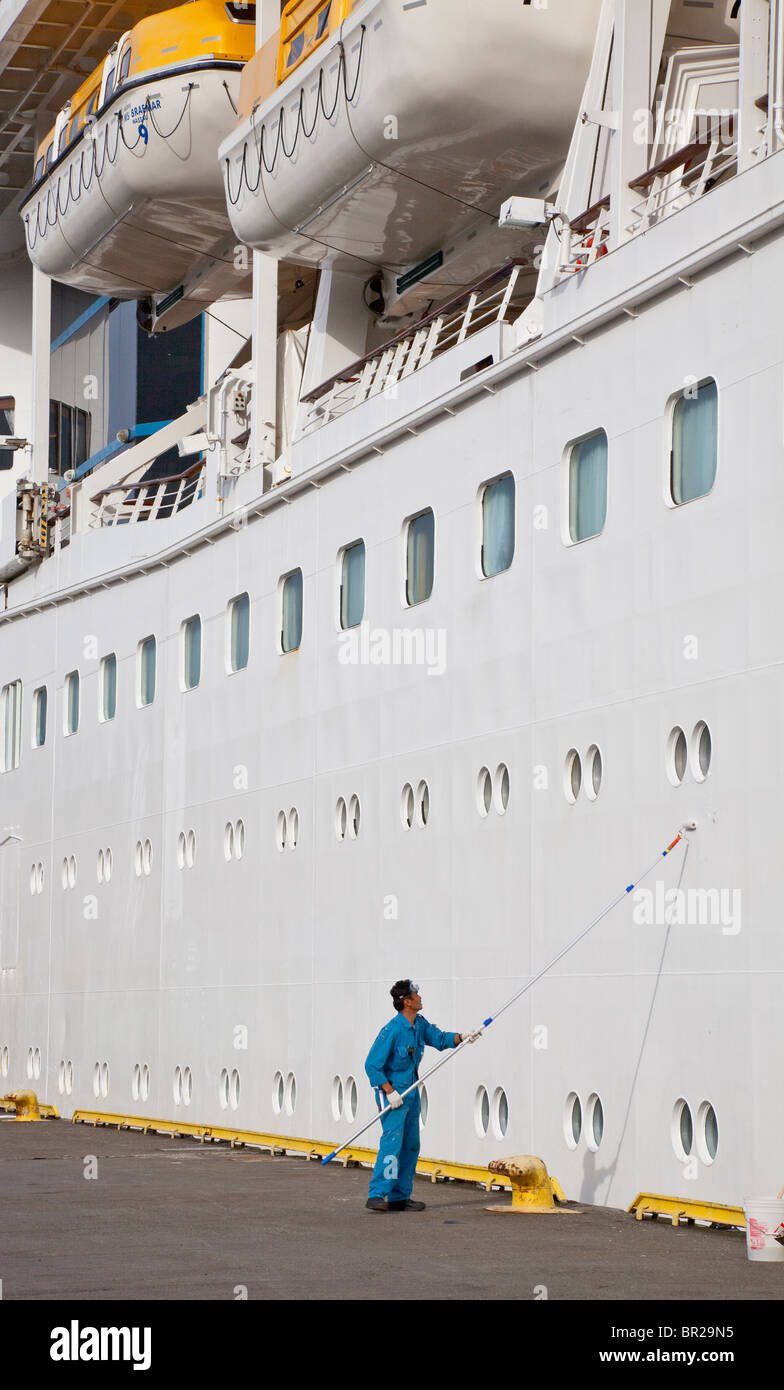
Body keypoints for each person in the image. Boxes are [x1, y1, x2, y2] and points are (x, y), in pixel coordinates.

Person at [364, 979, 478, 1212]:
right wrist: (390, 1092)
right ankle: (377, 1194)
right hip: (393, 1093)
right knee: (392, 1143)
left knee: (411, 1145)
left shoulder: (419, 1024)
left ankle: (400, 1196)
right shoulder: (392, 1030)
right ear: (406, 1001)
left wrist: (463, 1037)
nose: (420, 997)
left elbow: (439, 1039)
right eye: (416, 994)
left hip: (411, 1092)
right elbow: (372, 1065)